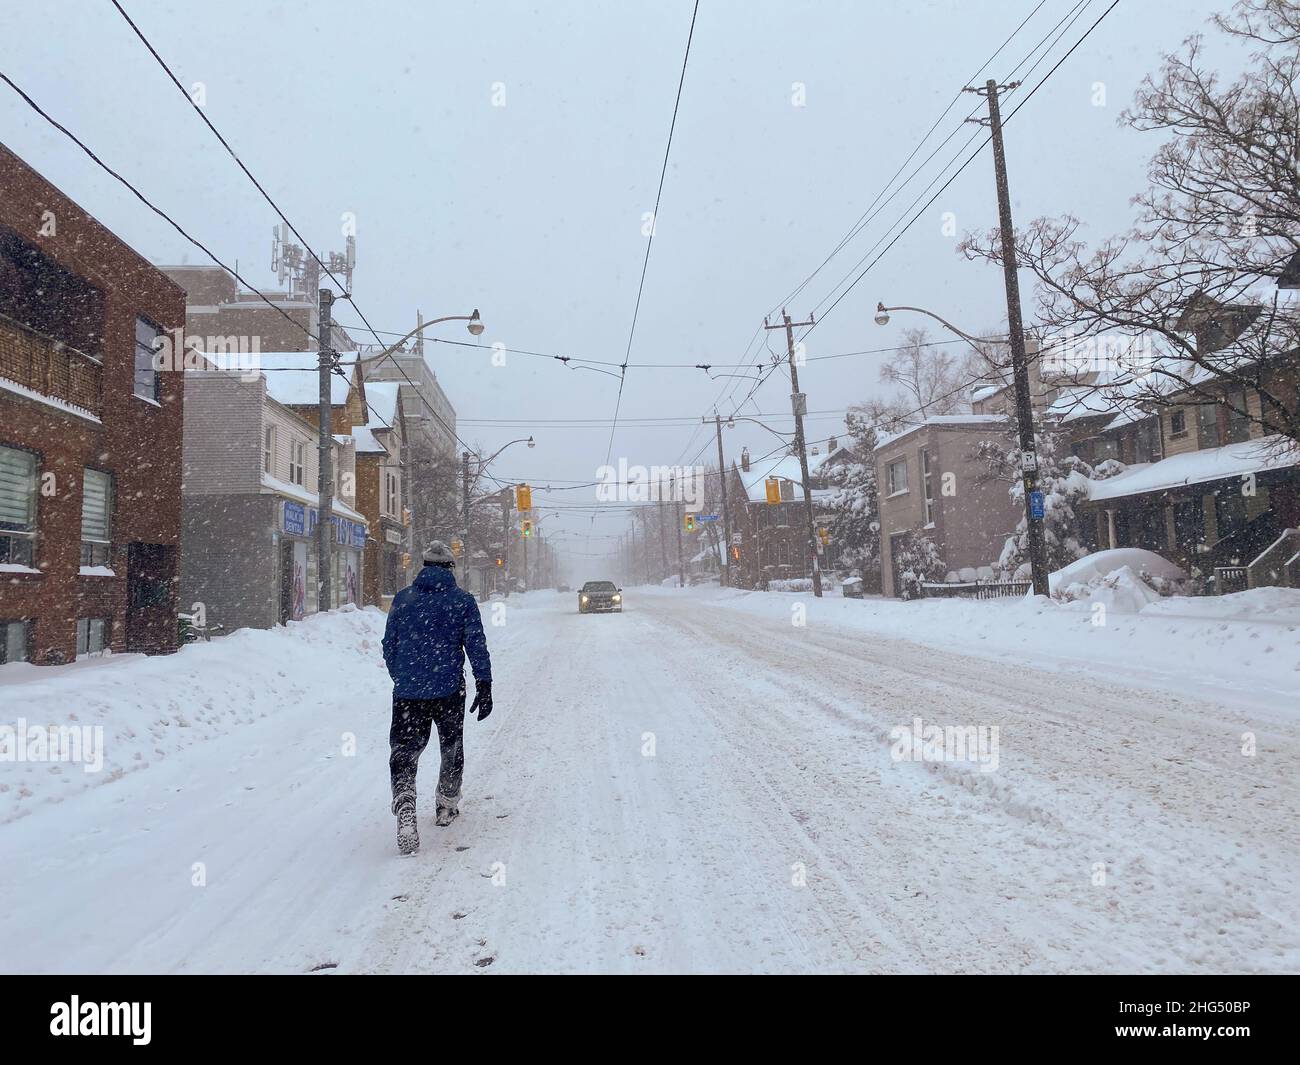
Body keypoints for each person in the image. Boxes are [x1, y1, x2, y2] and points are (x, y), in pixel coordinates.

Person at [382, 540, 492, 855]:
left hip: (409, 694)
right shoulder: (462, 601)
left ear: (425, 566)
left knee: (403, 753)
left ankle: (404, 803)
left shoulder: (403, 599)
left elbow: (390, 644)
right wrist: (484, 683)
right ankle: (446, 804)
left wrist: (402, 675)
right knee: (451, 748)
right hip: (448, 690)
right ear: (450, 568)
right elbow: (476, 644)